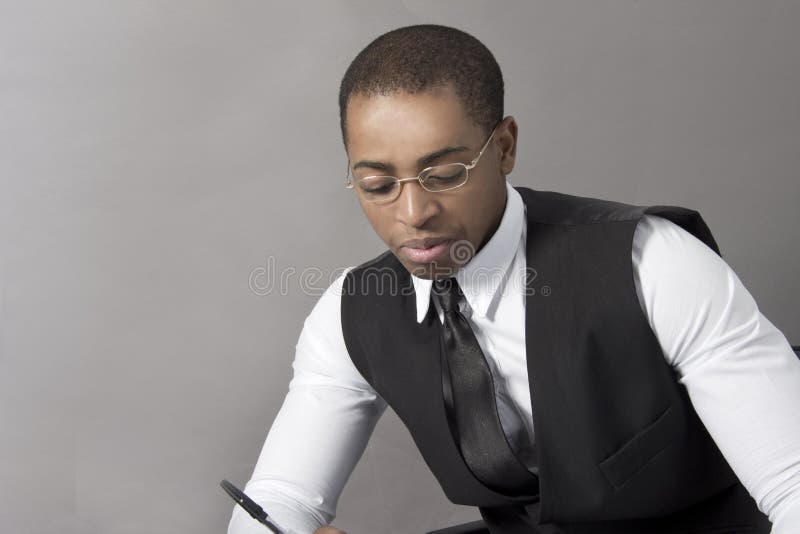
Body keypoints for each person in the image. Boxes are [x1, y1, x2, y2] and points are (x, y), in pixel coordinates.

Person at [228, 24, 800, 534]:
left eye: (445, 174)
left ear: (503, 147)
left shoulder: (653, 264)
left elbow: (794, 484)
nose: (412, 212)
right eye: (378, 185)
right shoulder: (351, 314)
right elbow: (281, 496)